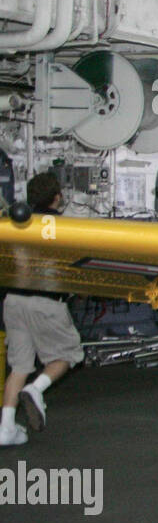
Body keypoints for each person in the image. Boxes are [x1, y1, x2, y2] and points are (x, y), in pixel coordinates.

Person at [0, 173, 84, 446]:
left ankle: (6, 428)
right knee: (69, 355)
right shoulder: (62, 227)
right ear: (57, 197)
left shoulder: (17, 224)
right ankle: (36, 389)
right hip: (46, 302)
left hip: (13, 300)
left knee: (19, 366)